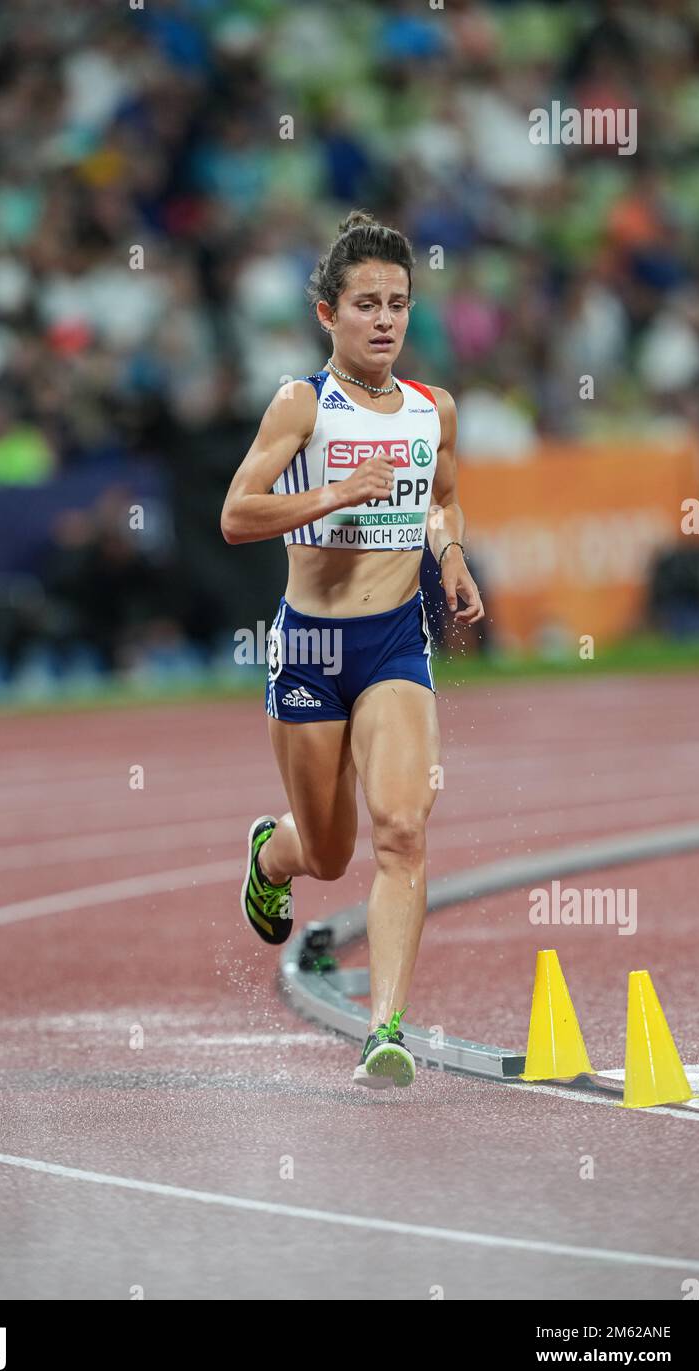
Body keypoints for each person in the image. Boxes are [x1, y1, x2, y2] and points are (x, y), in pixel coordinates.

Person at [220, 211, 484, 1089]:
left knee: (402, 830)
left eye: (399, 304)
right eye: (366, 303)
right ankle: (271, 853)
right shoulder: (302, 403)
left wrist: (449, 557)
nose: (384, 320)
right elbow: (236, 516)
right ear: (327, 314)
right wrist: (333, 493)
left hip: (394, 642)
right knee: (328, 853)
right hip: (308, 649)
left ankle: (387, 1032)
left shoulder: (432, 410)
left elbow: (443, 498)